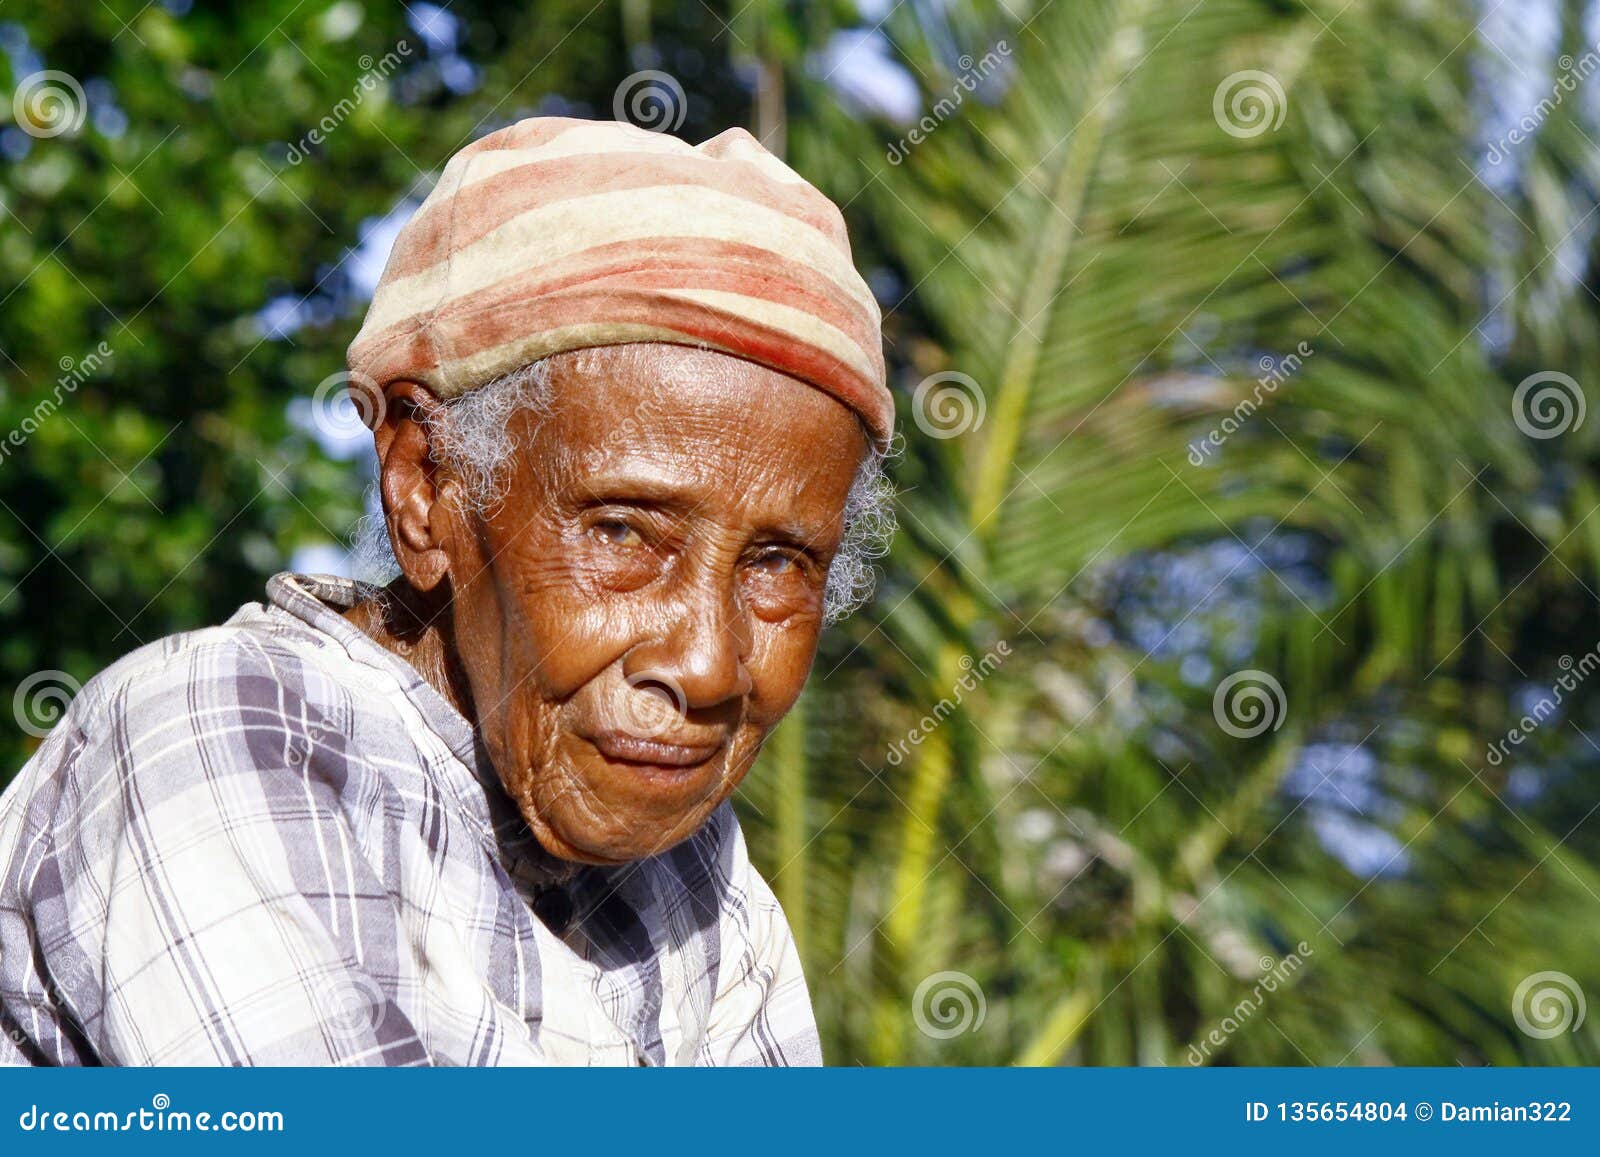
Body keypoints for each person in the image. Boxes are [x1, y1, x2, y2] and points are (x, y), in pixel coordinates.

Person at [0, 116, 895, 1066]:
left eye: (777, 565)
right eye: (625, 533)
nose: (707, 665)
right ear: (425, 487)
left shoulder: (701, 876)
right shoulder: (229, 729)